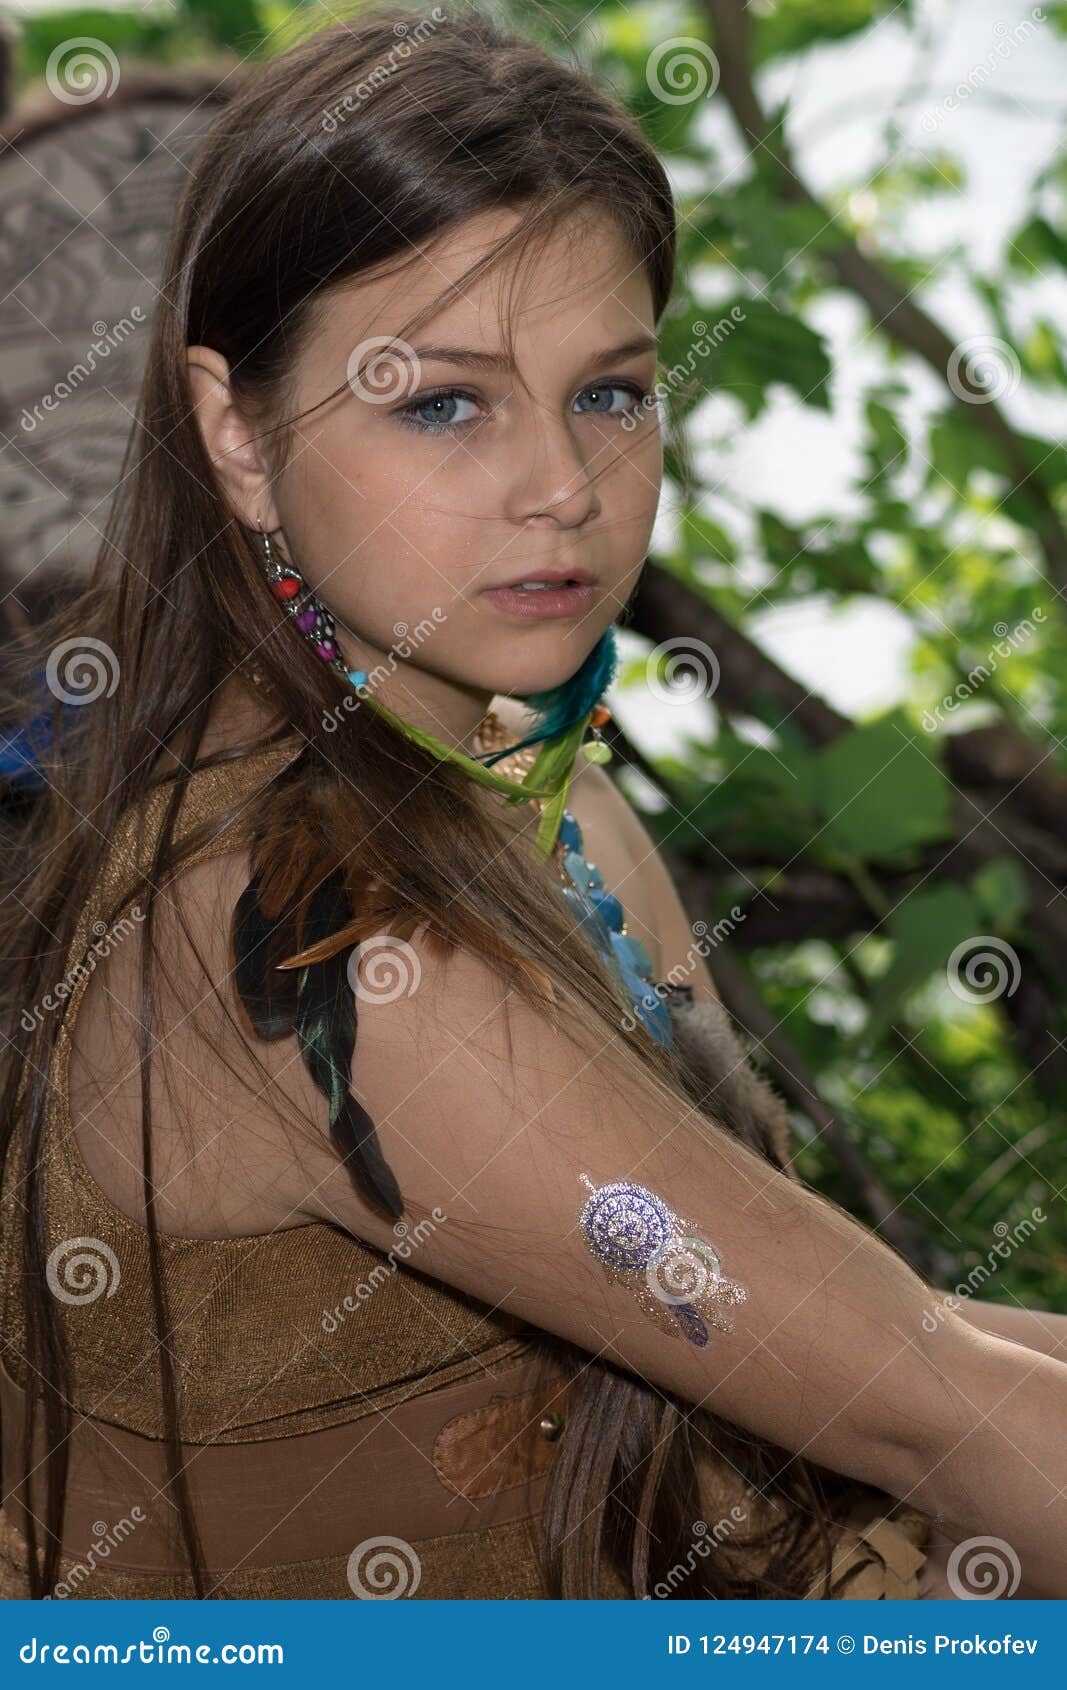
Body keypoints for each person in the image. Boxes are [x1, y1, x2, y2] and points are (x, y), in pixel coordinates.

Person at [0, 3, 1063, 1603]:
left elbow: (895, 1332)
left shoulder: (535, 800)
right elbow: (950, 1420)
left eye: (613, 392)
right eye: (444, 401)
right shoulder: (316, 935)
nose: (563, 483)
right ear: (235, 430)